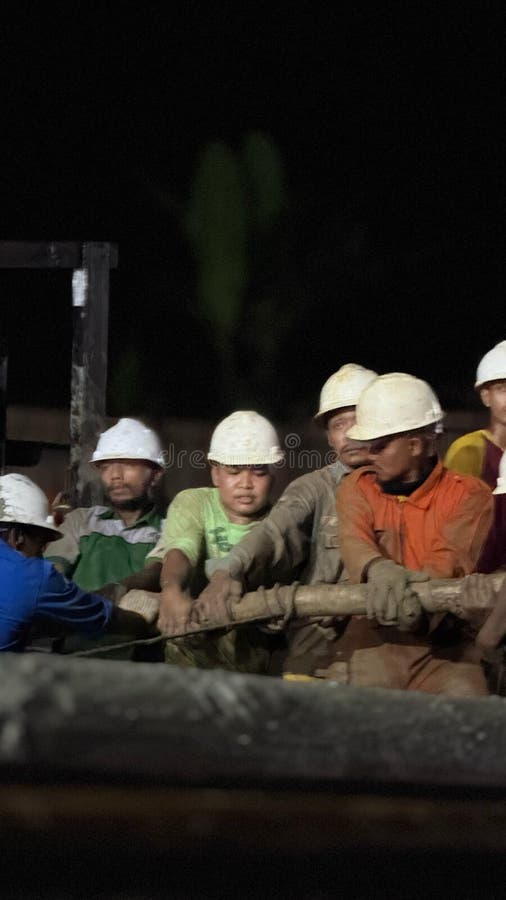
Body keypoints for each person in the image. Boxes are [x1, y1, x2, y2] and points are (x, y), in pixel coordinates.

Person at [194, 363, 378, 677]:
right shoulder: (314, 489)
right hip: (322, 633)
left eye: (359, 419)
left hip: (386, 631)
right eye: (338, 424)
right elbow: (274, 532)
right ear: (329, 438)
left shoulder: (407, 485)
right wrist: (230, 570)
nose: (349, 433)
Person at [334, 372, 494, 696]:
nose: (369, 455)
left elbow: (449, 560)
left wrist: (413, 610)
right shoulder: (356, 487)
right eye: (367, 445)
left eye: (378, 446)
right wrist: (377, 568)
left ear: (416, 444)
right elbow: (355, 543)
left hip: (446, 647)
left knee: (467, 720)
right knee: (355, 722)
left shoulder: (469, 495)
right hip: (372, 638)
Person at [147, 410, 284, 671]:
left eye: (258, 472)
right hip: (190, 653)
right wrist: (172, 589)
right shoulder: (194, 503)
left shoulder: (280, 521)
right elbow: (182, 549)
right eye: (234, 471)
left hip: (255, 661)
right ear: (216, 474)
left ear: (272, 476)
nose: (246, 483)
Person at [0, 474, 154, 651]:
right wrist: (142, 619)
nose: (41, 556)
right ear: (17, 536)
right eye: (41, 544)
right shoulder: (34, 576)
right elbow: (106, 619)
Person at [45, 417, 166, 597]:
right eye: (106, 467)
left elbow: (158, 574)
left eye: (128, 465)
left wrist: (111, 594)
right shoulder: (81, 522)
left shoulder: (169, 529)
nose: (115, 475)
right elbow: (51, 574)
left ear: (155, 475)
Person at [444, 340, 506, 572]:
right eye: (503, 388)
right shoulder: (469, 449)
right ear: (486, 396)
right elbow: (456, 523)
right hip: (478, 570)